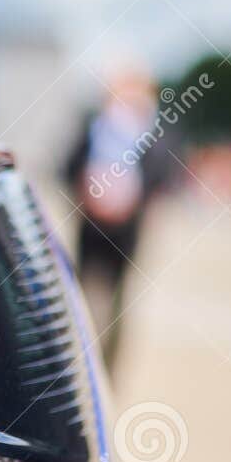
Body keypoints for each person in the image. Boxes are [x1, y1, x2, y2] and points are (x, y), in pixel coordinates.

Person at [63, 69, 173, 370]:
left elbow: (162, 174)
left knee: (118, 306)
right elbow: (68, 165)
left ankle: (107, 368)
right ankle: (79, 364)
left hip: (126, 231)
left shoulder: (153, 133)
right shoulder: (93, 127)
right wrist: (86, 191)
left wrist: (132, 202)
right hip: (91, 227)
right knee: (81, 298)